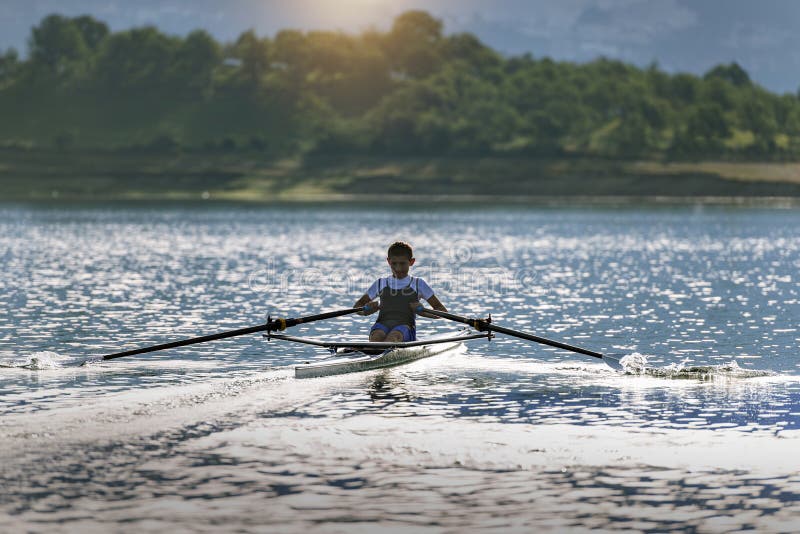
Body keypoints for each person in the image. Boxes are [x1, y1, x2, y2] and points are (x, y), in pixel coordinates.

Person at [353, 241, 447, 342]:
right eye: (394, 263)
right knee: (376, 337)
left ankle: (377, 351)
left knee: (393, 337)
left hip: (406, 327)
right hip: (382, 324)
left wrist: (422, 312)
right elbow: (357, 307)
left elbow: (442, 311)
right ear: (388, 261)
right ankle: (373, 352)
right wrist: (367, 310)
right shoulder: (380, 283)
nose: (398, 268)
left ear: (411, 262)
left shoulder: (418, 284)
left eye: (402, 263)